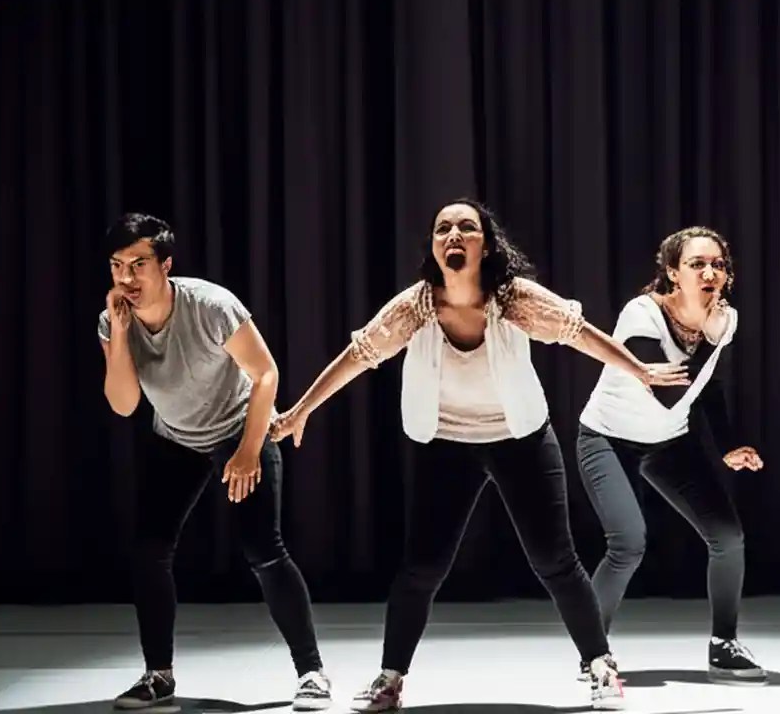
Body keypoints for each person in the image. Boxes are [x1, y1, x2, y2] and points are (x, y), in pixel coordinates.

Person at [270, 199, 689, 711]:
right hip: (445, 442)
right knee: (420, 569)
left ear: (485, 245)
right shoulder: (416, 306)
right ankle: (390, 678)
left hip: (521, 440)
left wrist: (640, 372)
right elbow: (358, 356)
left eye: (466, 228)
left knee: (556, 562)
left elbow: (583, 337)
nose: (453, 235)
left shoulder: (514, 299)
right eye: (443, 228)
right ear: (432, 245)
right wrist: (300, 410)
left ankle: (600, 666)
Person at [97, 213, 332, 710]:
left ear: (166, 266)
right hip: (176, 435)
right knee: (149, 549)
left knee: (263, 551)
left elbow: (266, 373)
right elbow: (123, 403)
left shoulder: (209, 305)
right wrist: (118, 335)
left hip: (238, 425)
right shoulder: (113, 319)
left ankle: (312, 672)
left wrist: (249, 451)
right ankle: (158, 675)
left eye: (138, 265)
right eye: (118, 266)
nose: (126, 278)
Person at [574, 227, 766, 685]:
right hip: (608, 438)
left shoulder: (724, 319)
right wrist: (713, 340)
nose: (709, 272)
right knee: (628, 543)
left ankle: (724, 645)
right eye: (697, 264)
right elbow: (667, 390)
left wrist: (726, 445)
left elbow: (709, 387)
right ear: (673, 274)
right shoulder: (641, 314)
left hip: (669, 442)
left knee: (728, 537)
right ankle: (593, 653)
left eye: (717, 264)